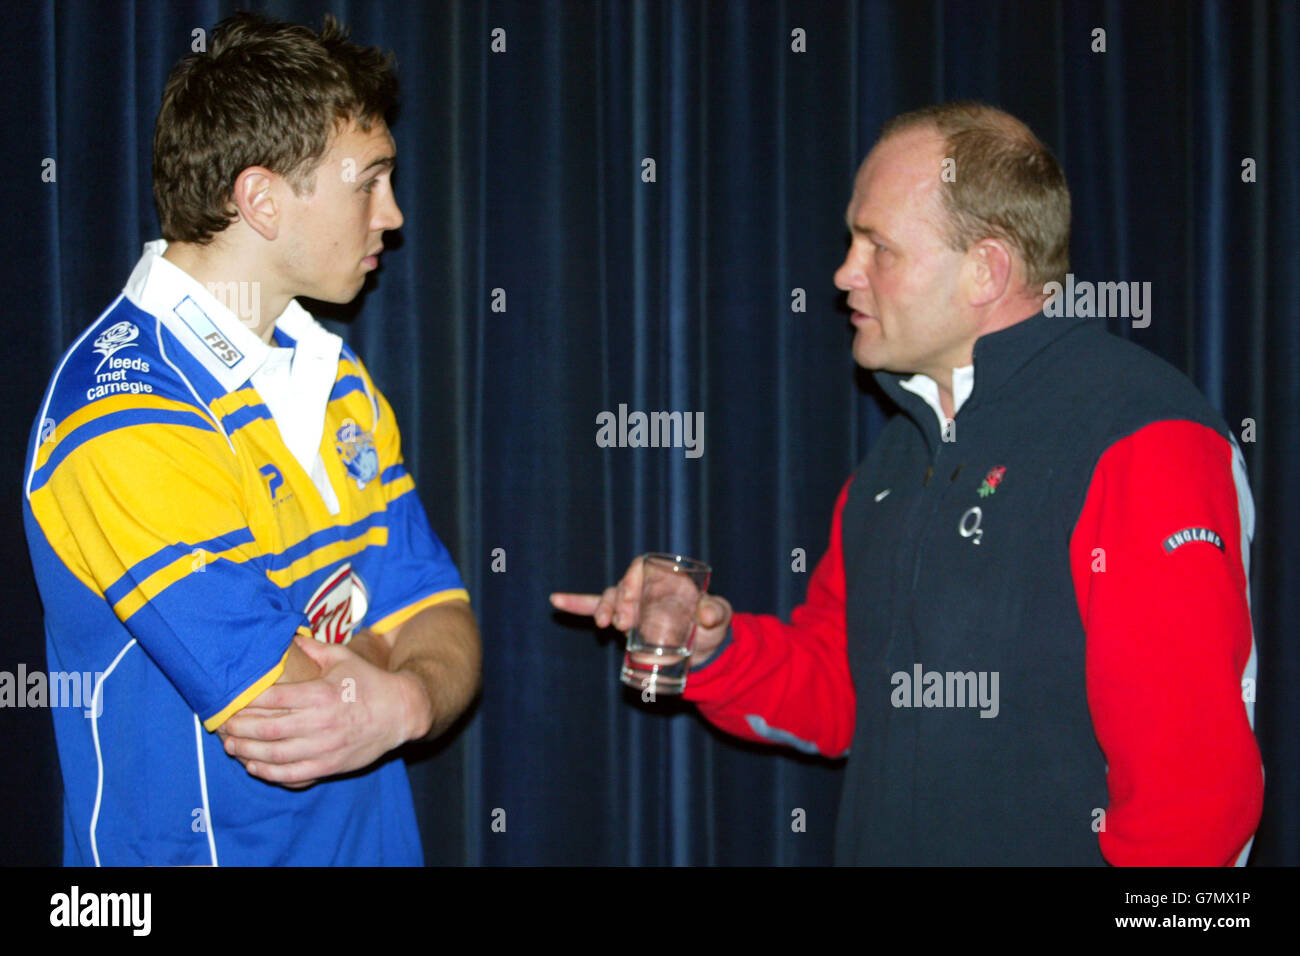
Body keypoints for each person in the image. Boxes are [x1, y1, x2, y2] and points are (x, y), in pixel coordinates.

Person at [552, 101, 1264, 865]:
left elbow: (1193, 800)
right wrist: (709, 648)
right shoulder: (894, 463)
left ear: (986, 270)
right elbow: (844, 694)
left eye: (877, 246)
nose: (843, 274)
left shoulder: (1138, 436)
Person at [21, 12, 480, 865]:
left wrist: (404, 701)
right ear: (262, 199)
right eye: (369, 181)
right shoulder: (120, 412)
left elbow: (442, 617)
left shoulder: (338, 376)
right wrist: (382, 660)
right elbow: (279, 716)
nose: (395, 213)